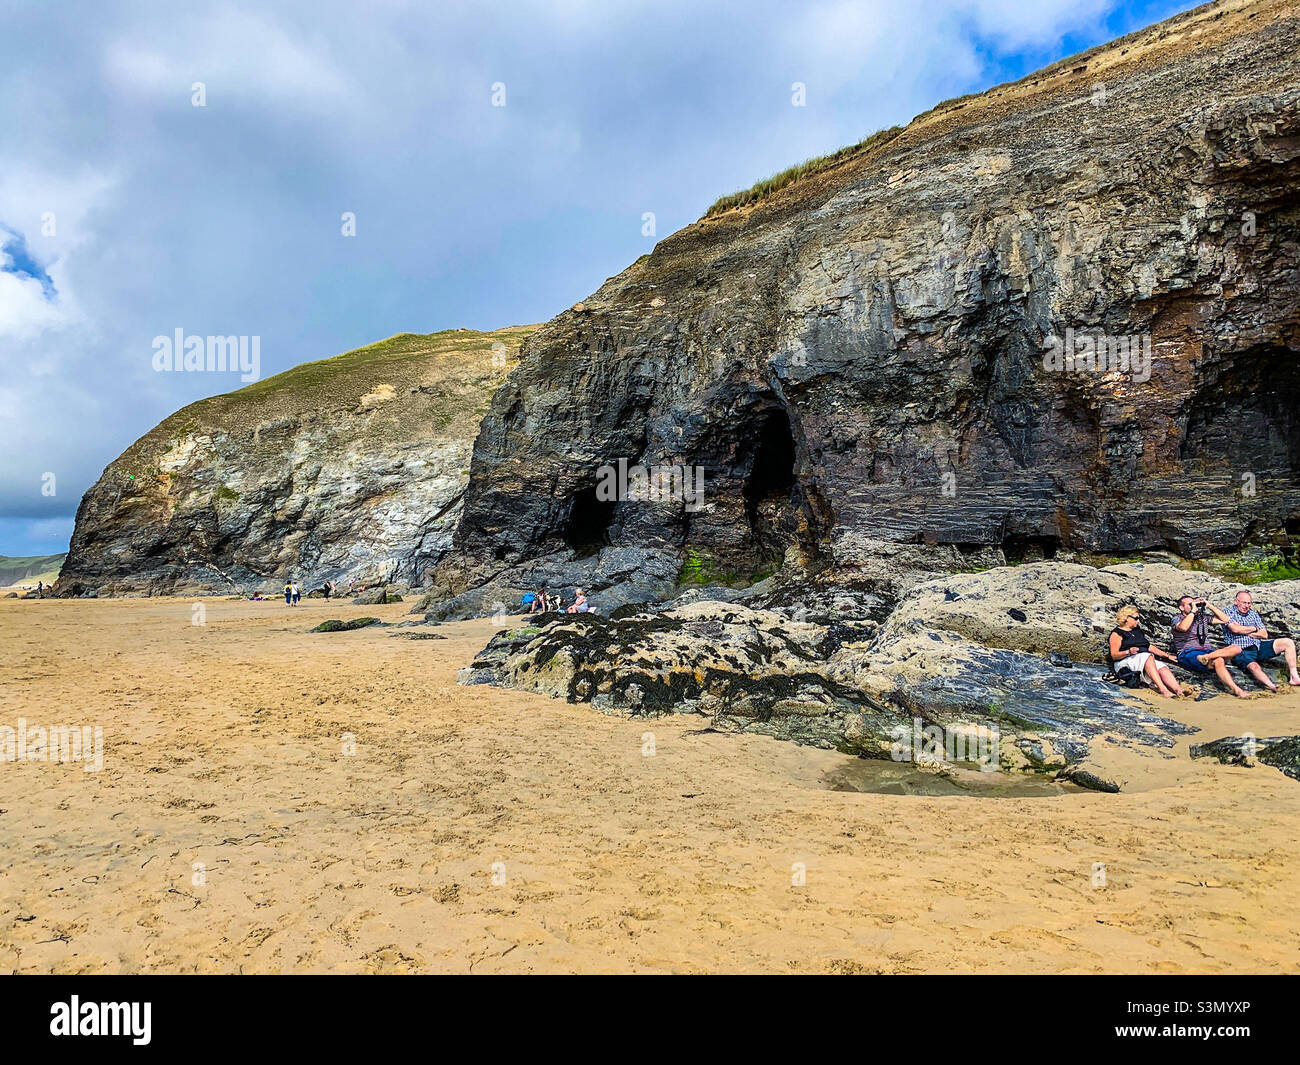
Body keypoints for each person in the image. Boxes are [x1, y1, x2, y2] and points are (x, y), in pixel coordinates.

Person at [1170, 595, 1252, 699]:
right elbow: (1183, 627)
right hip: (1188, 652)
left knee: (1237, 648)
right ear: (1181, 607)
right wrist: (1192, 612)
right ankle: (1237, 690)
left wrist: (1209, 606)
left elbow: (1225, 619)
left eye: (1193, 603)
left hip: (1207, 651)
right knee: (1219, 661)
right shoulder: (1177, 618)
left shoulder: (1202, 617)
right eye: (1189, 604)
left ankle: (1207, 657)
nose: (1193, 606)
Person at [1223, 590, 1300, 691]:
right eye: (1244, 602)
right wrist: (1254, 628)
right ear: (1236, 601)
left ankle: (1294, 677)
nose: (1246, 606)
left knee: (1287, 642)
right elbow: (1235, 629)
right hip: (1240, 649)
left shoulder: (1253, 614)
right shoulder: (1228, 611)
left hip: (1258, 645)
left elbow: (1264, 634)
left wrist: (1246, 631)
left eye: (1249, 603)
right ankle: (1272, 686)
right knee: (1253, 666)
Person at [1109, 605, 1185, 698]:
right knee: (1147, 656)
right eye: (1136, 618)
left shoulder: (1136, 630)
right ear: (1127, 618)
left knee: (1162, 667)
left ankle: (1178, 690)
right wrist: (1128, 652)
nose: (1138, 621)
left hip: (1141, 659)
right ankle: (1163, 689)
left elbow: (1148, 646)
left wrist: (1167, 656)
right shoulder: (1117, 633)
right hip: (1125, 661)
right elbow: (1114, 655)